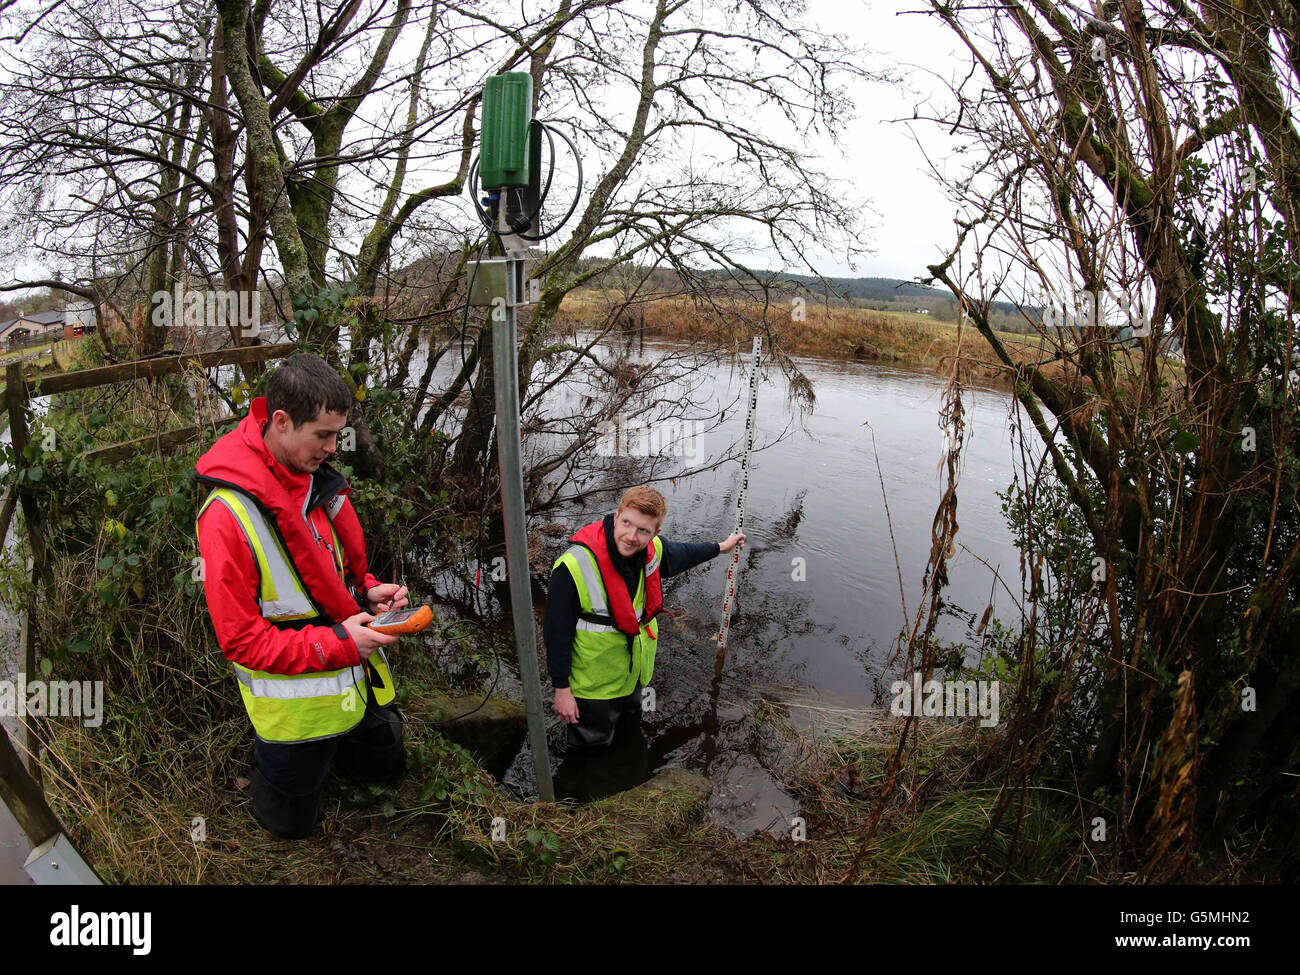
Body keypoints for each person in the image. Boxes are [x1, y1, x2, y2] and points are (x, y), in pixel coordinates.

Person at [194, 353, 411, 839]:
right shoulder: (226, 517)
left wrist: (366, 592)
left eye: (338, 435)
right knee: (288, 825)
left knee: (384, 764)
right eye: (323, 436)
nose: (333, 449)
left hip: (352, 680)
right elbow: (241, 643)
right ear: (280, 421)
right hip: (295, 710)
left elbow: (324, 570)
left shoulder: (307, 478)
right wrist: (339, 644)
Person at [544, 485, 745, 754]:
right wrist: (562, 690)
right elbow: (556, 632)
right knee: (590, 750)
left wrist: (721, 547)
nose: (630, 536)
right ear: (616, 516)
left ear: (655, 534)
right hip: (593, 687)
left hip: (632, 675)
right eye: (627, 523)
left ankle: (626, 780)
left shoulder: (654, 550)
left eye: (643, 531)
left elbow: (684, 553)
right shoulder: (574, 565)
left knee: (627, 735)